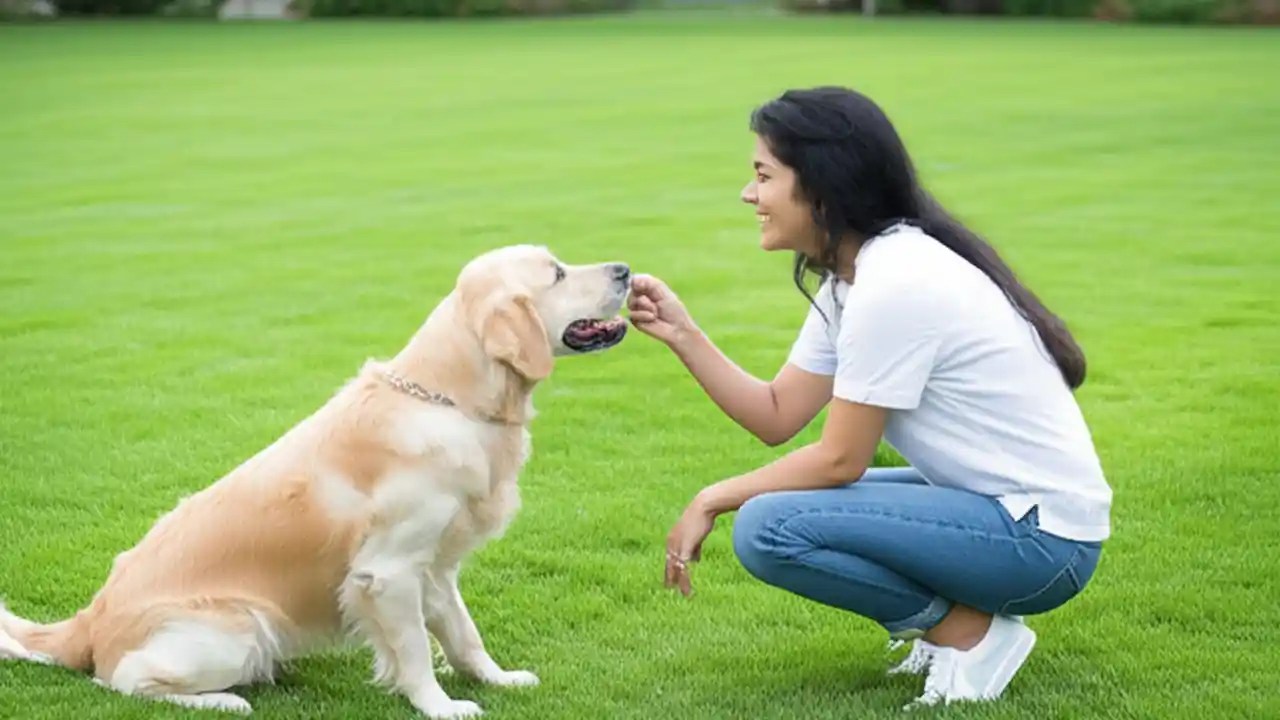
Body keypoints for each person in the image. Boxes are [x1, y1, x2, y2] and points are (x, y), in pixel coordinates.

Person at [626, 86, 1111, 709]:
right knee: (775, 512)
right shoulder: (853, 277)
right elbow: (778, 414)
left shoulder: (895, 283)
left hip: (1044, 542)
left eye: (763, 175)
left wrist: (711, 497)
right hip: (1002, 514)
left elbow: (839, 461)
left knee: (768, 526)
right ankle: (956, 632)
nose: (749, 194)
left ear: (821, 185)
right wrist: (682, 335)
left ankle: (970, 636)